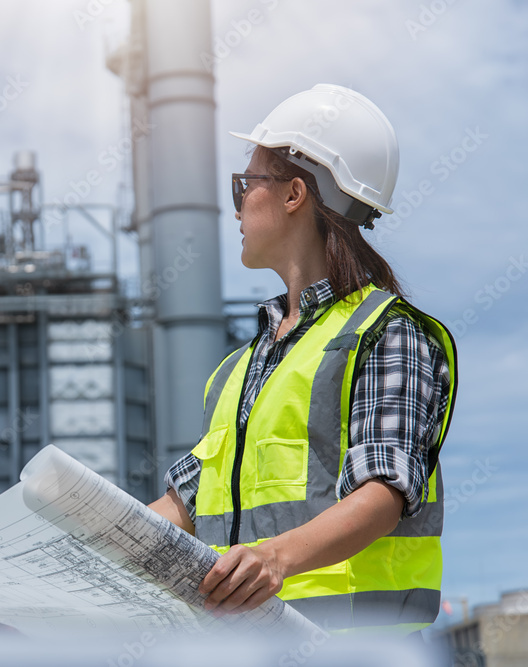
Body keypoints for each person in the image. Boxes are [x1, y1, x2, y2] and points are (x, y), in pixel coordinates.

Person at [148, 84, 458, 634]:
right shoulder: (236, 371)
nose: (238, 202)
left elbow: (383, 492)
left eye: (247, 184)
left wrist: (274, 559)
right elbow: (185, 508)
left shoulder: (386, 334)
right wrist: (44, 575)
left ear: (294, 195)